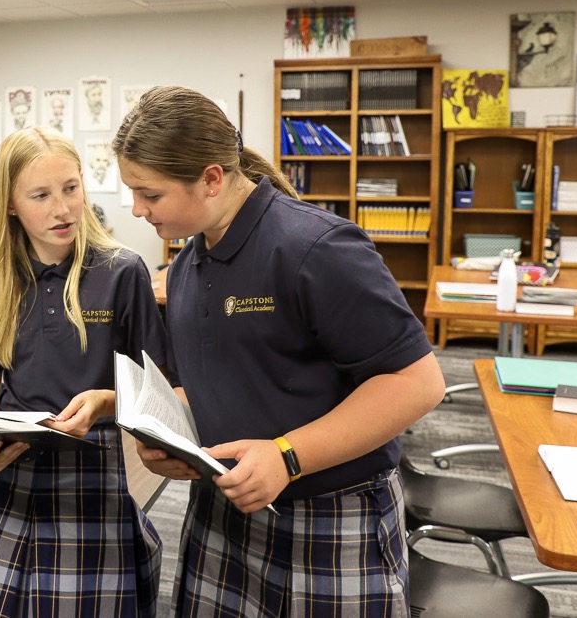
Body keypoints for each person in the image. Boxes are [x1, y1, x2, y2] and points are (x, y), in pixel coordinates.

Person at [112, 86, 446, 616]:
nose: (136, 210)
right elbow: (223, 382)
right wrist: (177, 438)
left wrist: (287, 457)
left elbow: (418, 384)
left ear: (211, 179)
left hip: (331, 516)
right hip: (225, 512)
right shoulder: (184, 268)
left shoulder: (316, 248)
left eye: (149, 194)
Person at [0, 127, 167, 617]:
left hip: (90, 464)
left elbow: (158, 392)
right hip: (9, 465)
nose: (63, 209)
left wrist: (106, 401)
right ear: (10, 205)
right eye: (41, 196)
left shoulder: (122, 272)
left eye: (71, 188)